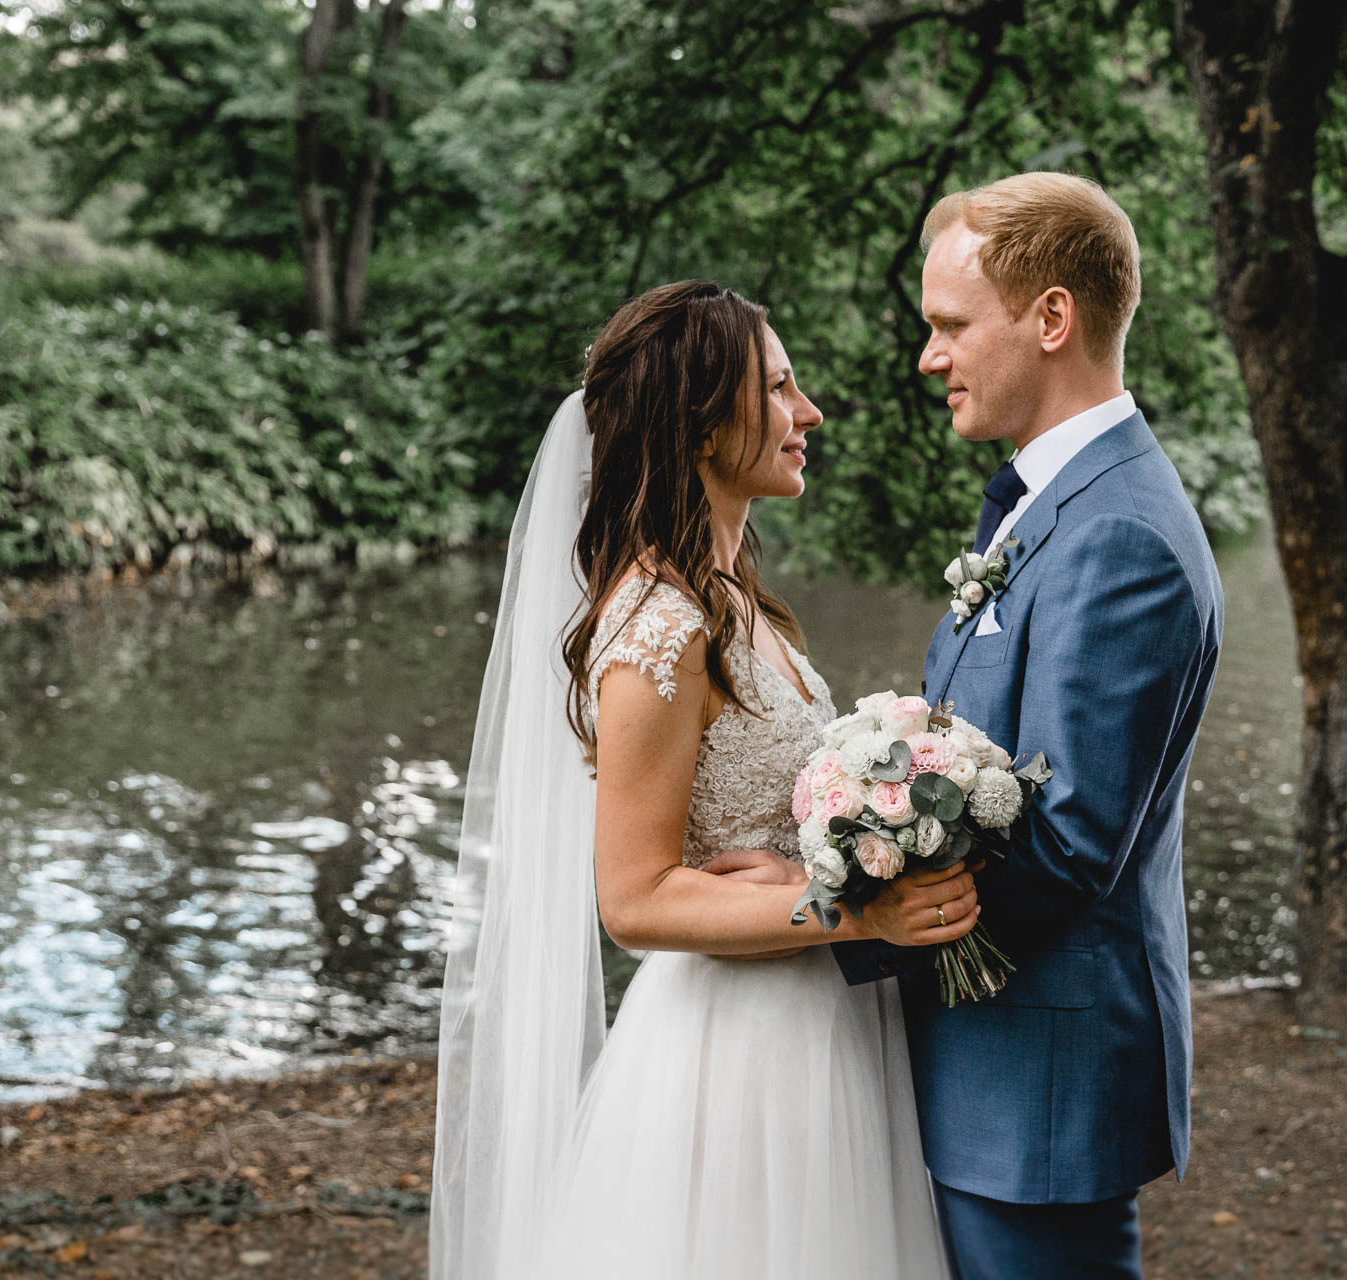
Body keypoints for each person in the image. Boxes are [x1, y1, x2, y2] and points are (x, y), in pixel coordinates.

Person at [428, 280, 972, 1279]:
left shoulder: (735, 602)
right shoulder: (659, 627)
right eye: (780, 388)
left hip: (821, 1016)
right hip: (739, 1049)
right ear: (704, 421)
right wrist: (856, 910)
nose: (810, 413)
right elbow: (634, 900)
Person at [834, 172, 1226, 1279]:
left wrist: (837, 916)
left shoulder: (1119, 537)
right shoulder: (1049, 504)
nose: (929, 356)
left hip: (1037, 1092)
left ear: (1052, 317)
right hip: (987, 1069)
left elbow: (1065, 845)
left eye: (952, 325)